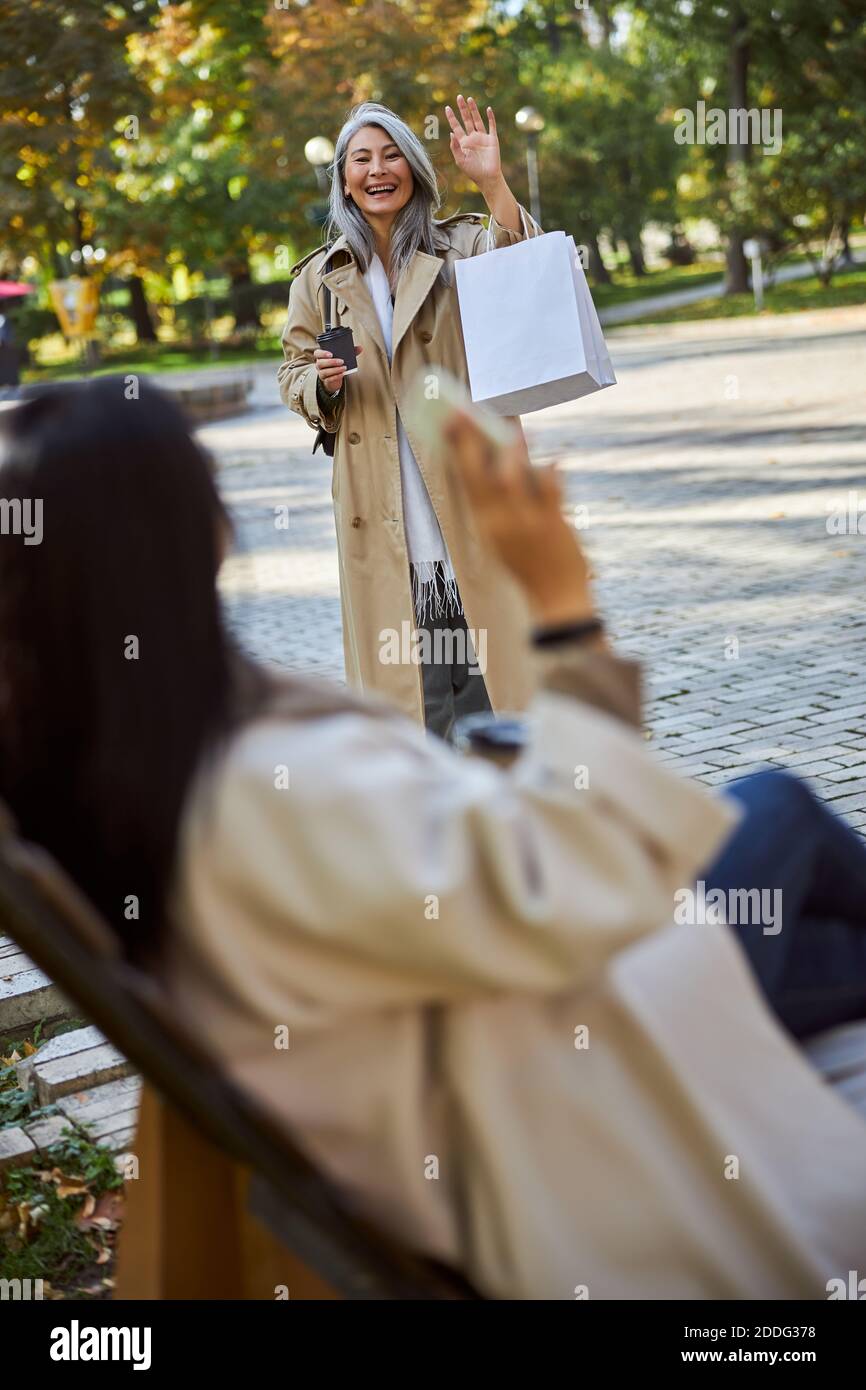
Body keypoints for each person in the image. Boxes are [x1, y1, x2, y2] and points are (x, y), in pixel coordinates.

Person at [1, 376, 865, 1299]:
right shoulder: (255, 799)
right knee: (779, 812)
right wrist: (563, 604)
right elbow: (570, 880)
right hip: (554, 1068)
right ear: (174, 540)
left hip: (504, 1017)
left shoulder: (118, 751)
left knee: (815, 901)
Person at [279, 98, 542, 739]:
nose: (377, 169)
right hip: (380, 510)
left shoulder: (460, 246)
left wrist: (492, 181)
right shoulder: (321, 278)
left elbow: (521, 265)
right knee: (413, 712)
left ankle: (507, 828)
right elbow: (292, 372)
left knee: (497, 699)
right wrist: (323, 381)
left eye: (391, 154)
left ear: (414, 167)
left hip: (471, 495)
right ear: (343, 177)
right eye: (361, 158)